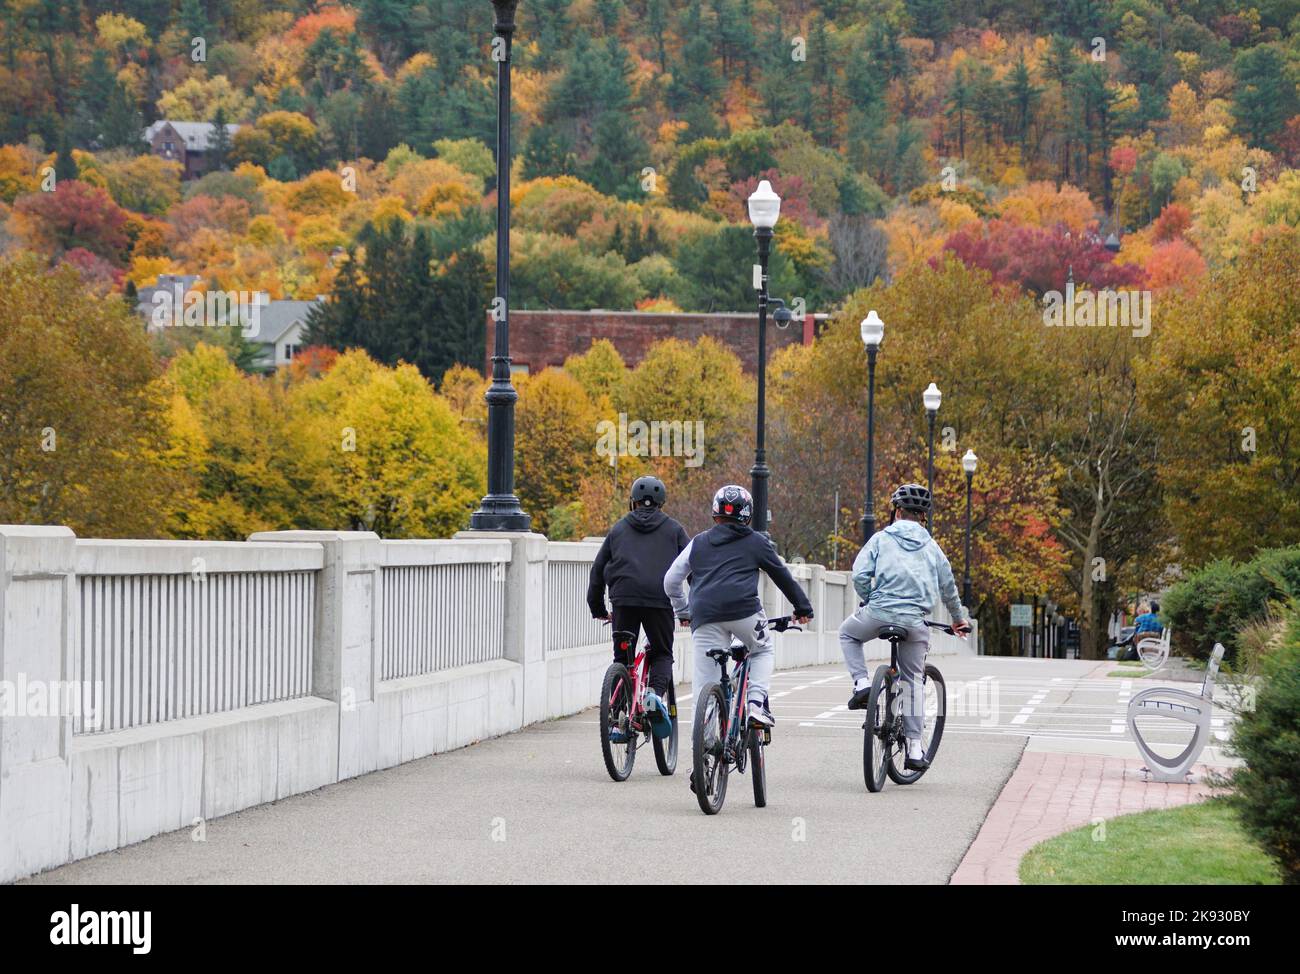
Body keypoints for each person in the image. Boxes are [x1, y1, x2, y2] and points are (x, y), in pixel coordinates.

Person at [839, 483, 971, 771]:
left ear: (897, 511)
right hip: (914, 621)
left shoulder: (880, 539)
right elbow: (947, 586)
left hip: (878, 612)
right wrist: (958, 617)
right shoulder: (932, 547)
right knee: (912, 679)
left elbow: (860, 575)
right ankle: (913, 748)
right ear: (923, 517)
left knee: (848, 633)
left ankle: (861, 684)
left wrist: (869, 599)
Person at [663, 484, 813, 730]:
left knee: (703, 688)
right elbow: (781, 575)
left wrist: (682, 611)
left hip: (704, 615)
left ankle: (703, 757)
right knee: (762, 650)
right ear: (748, 515)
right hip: (744, 612)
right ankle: (755, 704)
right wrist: (802, 607)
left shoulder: (698, 542)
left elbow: (670, 581)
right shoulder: (756, 541)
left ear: (715, 512)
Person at [587, 475, 689, 735]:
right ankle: (653, 695)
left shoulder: (618, 529)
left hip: (623, 599)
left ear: (633, 502)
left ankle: (619, 720)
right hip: (659, 600)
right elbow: (692, 568)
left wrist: (598, 609)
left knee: (623, 658)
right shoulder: (674, 529)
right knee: (663, 652)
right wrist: (692, 608)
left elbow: (598, 571)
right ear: (661, 503)